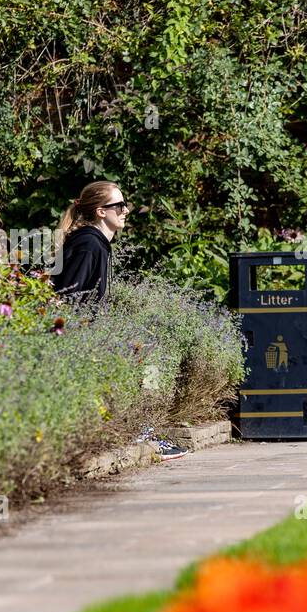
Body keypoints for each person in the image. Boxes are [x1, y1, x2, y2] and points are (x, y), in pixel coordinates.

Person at [53, 181, 190, 461]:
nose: (126, 210)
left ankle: (143, 435)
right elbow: (69, 295)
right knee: (137, 369)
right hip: (80, 339)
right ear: (101, 212)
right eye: (119, 205)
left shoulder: (95, 243)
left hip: (88, 337)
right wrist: (87, 339)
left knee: (138, 366)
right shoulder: (89, 244)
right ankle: (144, 438)